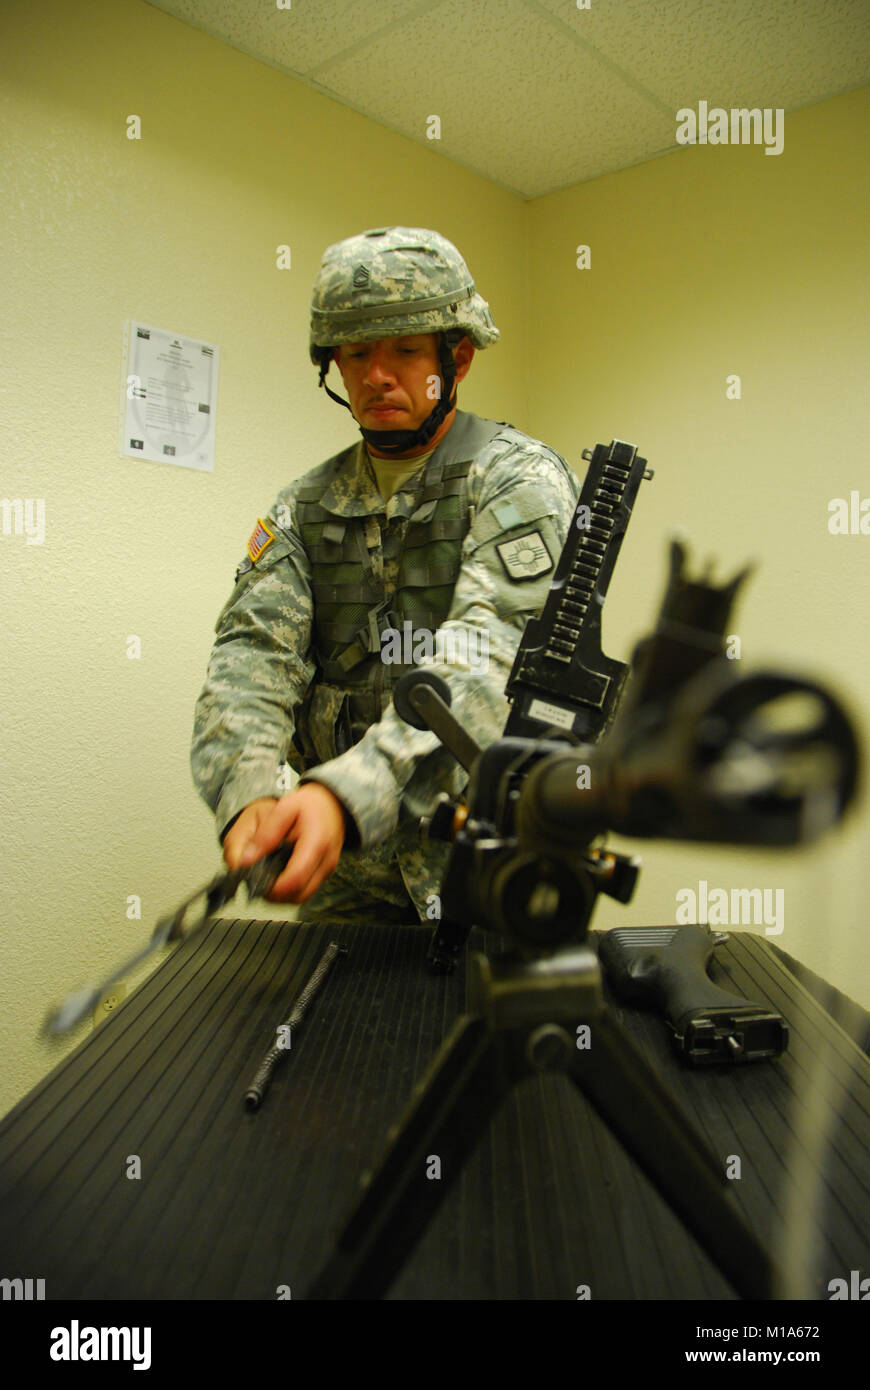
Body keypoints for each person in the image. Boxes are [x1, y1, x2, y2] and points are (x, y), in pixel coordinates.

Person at [191, 226, 581, 923]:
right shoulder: (302, 508)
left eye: (404, 351)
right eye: (356, 352)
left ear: (455, 357)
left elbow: (495, 653)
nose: (377, 374)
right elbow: (251, 658)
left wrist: (348, 793)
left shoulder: (517, 477)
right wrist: (250, 790)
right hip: (351, 887)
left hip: (496, 877)